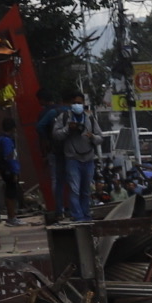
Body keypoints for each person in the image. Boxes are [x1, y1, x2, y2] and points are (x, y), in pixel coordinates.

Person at [39, 93, 97, 222]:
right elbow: (56, 134)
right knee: (74, 188)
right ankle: (76, 216)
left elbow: (99, 137)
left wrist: (92, 136)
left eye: (79, 102)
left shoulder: (89, 117)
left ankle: (83, 215)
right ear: (70, 103)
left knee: (83, 189)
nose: (77, 105)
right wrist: (67, 129)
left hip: (86, 157)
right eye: (75, 103)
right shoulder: (63, 117)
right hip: (70, 157)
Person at [0, 114, 25, 219]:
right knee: (11, 194)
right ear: (13, 128)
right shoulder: (6, 140)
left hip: (4, 169)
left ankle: (12, 216)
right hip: (8, 170)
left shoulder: (0, 138)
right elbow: (10, 157)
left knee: (10, 193)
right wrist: (14, 172)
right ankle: (12, 217)